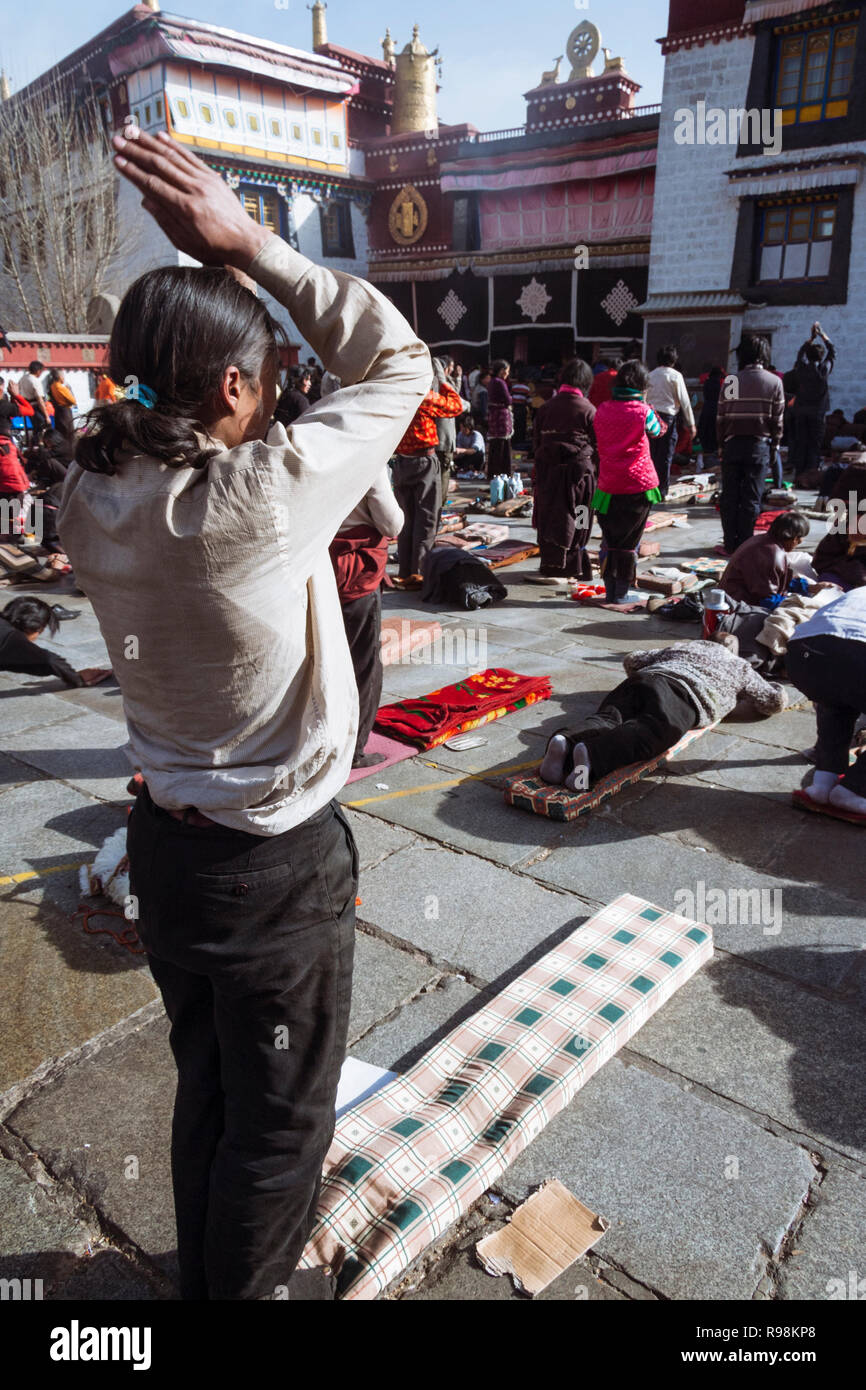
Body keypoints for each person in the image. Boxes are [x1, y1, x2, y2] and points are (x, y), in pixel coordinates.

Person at [58, 123, 429, 1301]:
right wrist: (257, 247)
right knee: (278, 1126)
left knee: (210, 1090)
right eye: (267, 390)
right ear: (233, 388)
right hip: (270, 870)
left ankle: (212, 1277)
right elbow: (399, 363)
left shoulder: (87, 491)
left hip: (169, 850)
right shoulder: (258, 495)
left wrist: (208, 274)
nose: (277, 410)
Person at [539, 637, 786, 790]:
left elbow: (632, 659)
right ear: (732, 650)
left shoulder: (681, 647)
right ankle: (592, 757)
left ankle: (566, 740)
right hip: (686, 695)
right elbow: (772, 701)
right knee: (652, 732)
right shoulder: (739, 665)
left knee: (608, 717)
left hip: (645, 679)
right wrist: (780, 689)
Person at [324, 372, 404, 771]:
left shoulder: (306, 440)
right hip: (356, 573)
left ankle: (316, 737)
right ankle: (353, 748)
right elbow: (391, 523)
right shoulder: (365, 449)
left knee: (322, 658)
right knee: (362, 662)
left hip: (317, 566)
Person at [788, 587, 866, 824]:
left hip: (803, 652)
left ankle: (822, 785)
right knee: (849, 684)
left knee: (835, 705)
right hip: (857, 652)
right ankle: (853, 791)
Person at [592, 359, 665, 603]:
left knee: (610, 539)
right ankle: (621, 594)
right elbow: (658, 431)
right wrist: (648, 406)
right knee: (629, 543)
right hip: (638, 485)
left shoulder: (602, 409)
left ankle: (610, 590)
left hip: (607, 485)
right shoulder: (643, 412)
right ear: (643, 386)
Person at [391, 360, 463, 591]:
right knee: (426, 519)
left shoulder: (395, 397)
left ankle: (405, 572)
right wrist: (443, 381)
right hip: (423, 461)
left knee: (407, 520)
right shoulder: (422, 396)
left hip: (401, 462)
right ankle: (419, 572)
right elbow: (455, 406)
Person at [715, 333, 784, 557]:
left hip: (732, 444)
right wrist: (774, 447)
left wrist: (721, 446)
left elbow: (722, 417)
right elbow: (777, 422)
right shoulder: (774, 382)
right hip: (759, 446)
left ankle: (729, 543)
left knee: (730, 496)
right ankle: (745, 544)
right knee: (752, 498)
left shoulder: (732, 381)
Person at [531, 357, 597, 582]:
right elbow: (597, 447)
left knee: (549, 516)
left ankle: (551, 564)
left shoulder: (546, 408)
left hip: (548, 474)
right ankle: (576, 561)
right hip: (580, 478)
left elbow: (536, 443)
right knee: (582, 515)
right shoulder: (589, 409)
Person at [0, 597, 108, 686]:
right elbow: (50, 660)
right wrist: (76, 678)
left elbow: (12, 663)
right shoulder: (11, 638)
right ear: (35, 628)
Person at [721, 511, 811, 606]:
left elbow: (775, 579)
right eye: (800, 540)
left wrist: (807, 587)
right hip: (738, 604)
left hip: (733, 596)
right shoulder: (772, 554)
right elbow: (766, 599)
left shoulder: (764, 540)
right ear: (795, 539)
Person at [646, 345, 695, 498]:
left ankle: (649, 487)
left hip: (651, 417)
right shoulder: (675, 376)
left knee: (651, 454)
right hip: (668, 418)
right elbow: (685, 401)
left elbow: (644, 397)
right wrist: (691, 423)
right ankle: (662, 490)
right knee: (666, 455)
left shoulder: (650, 375)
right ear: (674, 360)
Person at [789, 322, 835, 481]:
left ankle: (798, 474)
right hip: (818, 412)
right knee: (814, 445)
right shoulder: (824, 369)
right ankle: (811, 476)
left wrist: (811, 338)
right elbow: (832, 351)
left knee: (801, 443)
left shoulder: (801, 368)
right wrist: (823, 335)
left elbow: (800, 354)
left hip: (801, 412)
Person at [486, 359, 514, 478]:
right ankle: (503, 472)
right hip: (501, 417)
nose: (507, 374)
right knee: (503, 446)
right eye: (507, 371)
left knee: (494, 446)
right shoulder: (500, 382)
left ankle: (493, 473)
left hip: (493, 415)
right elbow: (508, 400)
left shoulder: (491, 381)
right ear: (502, 371)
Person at [15, 361, 50, 442]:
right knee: (42, 429)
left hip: (27, 406)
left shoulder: (23, 378)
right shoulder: (35, 381)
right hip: (37, 407)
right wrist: (46, 416)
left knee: (36, 428)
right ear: (38, 371)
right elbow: (40, 400)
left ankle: (35, 446)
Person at [697, 366, 724, 456]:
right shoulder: (719, 383)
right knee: (714, 430)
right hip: (716, 408)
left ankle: (707, 449)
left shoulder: (707, 383)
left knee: (705, 428)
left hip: (706, 408)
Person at [46, 369, 78, 444]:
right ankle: (70, 450)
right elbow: (73, 401)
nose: (64, 378)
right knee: (68, 432)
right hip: (65, 411)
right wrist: (68, 390)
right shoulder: (60, 387)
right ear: (60, 377)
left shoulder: (52, 386)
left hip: (58, 410)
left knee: (60, 431)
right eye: (63, 376)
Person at [510, 367, 531, 450]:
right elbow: (529, 401)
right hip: (522, 408)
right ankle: (520, 442)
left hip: (514, 408)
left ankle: (514, 441)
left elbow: (511, 397)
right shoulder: (527, 389)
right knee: (522, 426)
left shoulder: (514, 387)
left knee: (514, 425)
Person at [471, 368, 490, 434]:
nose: (489, 380)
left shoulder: (477, 388)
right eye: (487, 378)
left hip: (475, 414)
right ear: (482, 380)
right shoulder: (483, 391)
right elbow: (483, 406)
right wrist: (485, 417)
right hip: (480, 415)